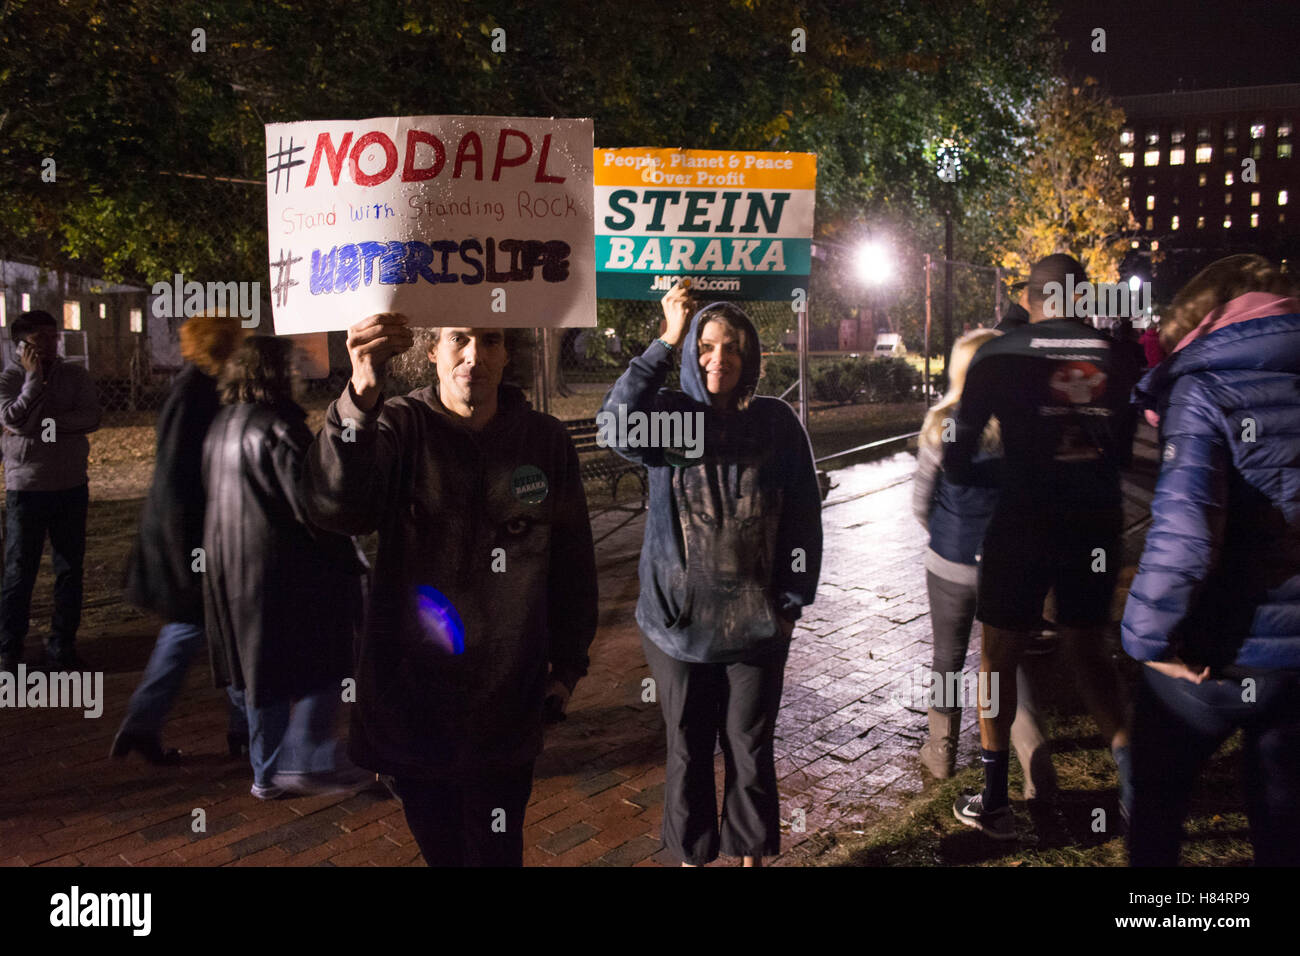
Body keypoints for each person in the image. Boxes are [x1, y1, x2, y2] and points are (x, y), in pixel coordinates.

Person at [302, 318, 597, 867]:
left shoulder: (545, 442)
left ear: (510, 353)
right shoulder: (396, 427)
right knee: (443, 852)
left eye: (491, 339)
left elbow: (573, 561)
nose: (473, 355)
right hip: (415, 704)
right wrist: (358, 399)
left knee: (495, 853)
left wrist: (567, 666)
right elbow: (339, 509)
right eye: (458, 338)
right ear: (431, 351)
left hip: (506, 704)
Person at [601, 284, 823, 867]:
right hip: (678, 628)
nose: (717, 358)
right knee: (689, 748)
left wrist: (791, 602)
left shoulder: (775, 423)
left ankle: (751, 856)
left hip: (756, 626)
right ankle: (693, 856)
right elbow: (616, 429)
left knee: (750, 747)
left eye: (732, 348)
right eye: (704, 346)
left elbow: (803, 514)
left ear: (750, 359)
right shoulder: (672, 416)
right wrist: (664, 340)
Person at [944, 254, 1139, 839]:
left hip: (1022, 521)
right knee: (1089, 651)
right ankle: (1136, 795)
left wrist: (1009, 474)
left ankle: (997, 799)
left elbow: (957, 455)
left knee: (998, 661)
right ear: (1083, 298)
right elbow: (1125, 455)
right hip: (1094, 523)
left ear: (1030, 297)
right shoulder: (1119, 358)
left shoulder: (997, 354)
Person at [1122, 254, 1300, 866]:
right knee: (1283, 820)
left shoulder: (1205, 390)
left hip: (1216, 651)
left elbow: (1186, 538)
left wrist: (1149, 642)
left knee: (1158, 804)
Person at [203, 335, 370, 800]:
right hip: (284, 569)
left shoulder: (223, 425)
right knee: (331, 659)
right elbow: (311, 505)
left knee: (262, 674)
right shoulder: (278, 428)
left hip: (232, 569)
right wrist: (346, 555)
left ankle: (267, 770)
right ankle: (306, 758)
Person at [911, 329, 1055, 798]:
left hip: (950, 561)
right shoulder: (1025, 425)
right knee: (1006, 663)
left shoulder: (940, 424)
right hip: (1008, 562)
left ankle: (941, 752)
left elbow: (920, 501)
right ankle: (1035, 762)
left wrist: (944, 534)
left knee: (948, 661)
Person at [113, 314, 249, 764]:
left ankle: (145, 723)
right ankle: (242, 732)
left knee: (193, 633)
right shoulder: (199, 395)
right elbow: (180, 480)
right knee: (227, 632)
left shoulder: (195, 389)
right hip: (195, 543)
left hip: (189, 542)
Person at [0, 310, 101, 672]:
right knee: (19, 571)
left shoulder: (74, 374)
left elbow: (91, 417)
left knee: (70, 569)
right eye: (39, 339)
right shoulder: (9, 378)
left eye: (53, 336)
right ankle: (9, 650)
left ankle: (63, 645)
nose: (50, 344)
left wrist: (41, 425)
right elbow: (11, 418)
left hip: (71, 484)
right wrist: (32, 379)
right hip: (27, 486)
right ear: (21, 344)